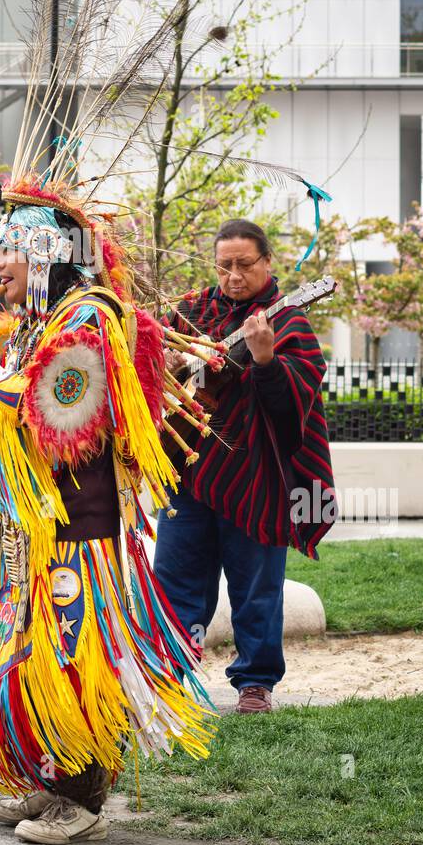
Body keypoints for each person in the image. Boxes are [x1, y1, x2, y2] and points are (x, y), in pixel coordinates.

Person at [0, 186, 218, 845]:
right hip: (31, 526)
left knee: (76, 654)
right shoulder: (43, 323)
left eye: (7, 253)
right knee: (30, 656)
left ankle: (84, 796)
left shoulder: (89, 317)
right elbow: (1, 411)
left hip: (79, 527)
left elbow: (51, 407)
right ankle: (53, 778)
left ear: (45, 251)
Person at [154, 218, 337, 715]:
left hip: (256, 476)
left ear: (268, 263)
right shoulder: (190, 311)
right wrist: (165, 364)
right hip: (187, 471)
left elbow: (291, 409)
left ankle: (255, 684)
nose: (233, 275)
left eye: (244, 264)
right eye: (224, 265)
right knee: (175, 582)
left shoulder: (290, 323)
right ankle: (170, 672)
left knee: (256, 587)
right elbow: (147, 367)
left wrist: (265, 360)